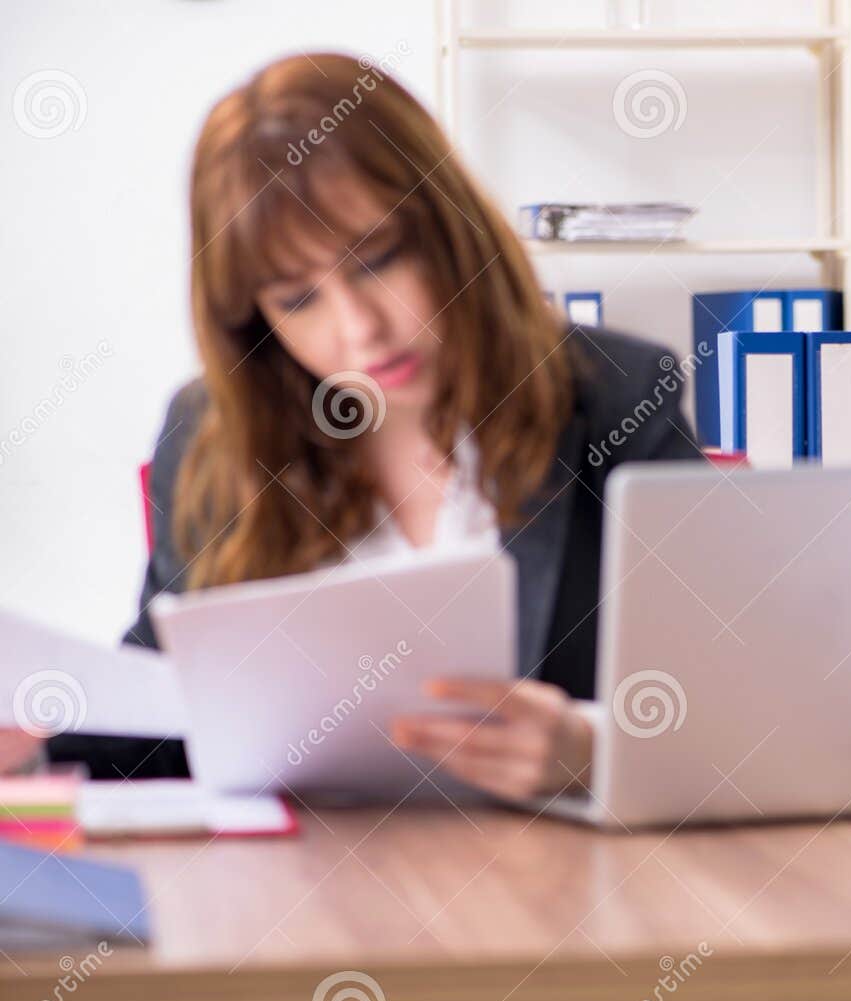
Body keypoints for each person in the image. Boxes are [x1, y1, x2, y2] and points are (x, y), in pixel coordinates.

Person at [16, 53, 702, 801]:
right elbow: (165, 722)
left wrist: (593, 751)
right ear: (256, 322)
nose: (361, 330)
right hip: (303, 903)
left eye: (377, 262)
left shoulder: (617, 397)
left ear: (451, 228)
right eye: (297, 299)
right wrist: (36, 746)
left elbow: (743, 705)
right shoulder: (210, 438)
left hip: (554, 898)